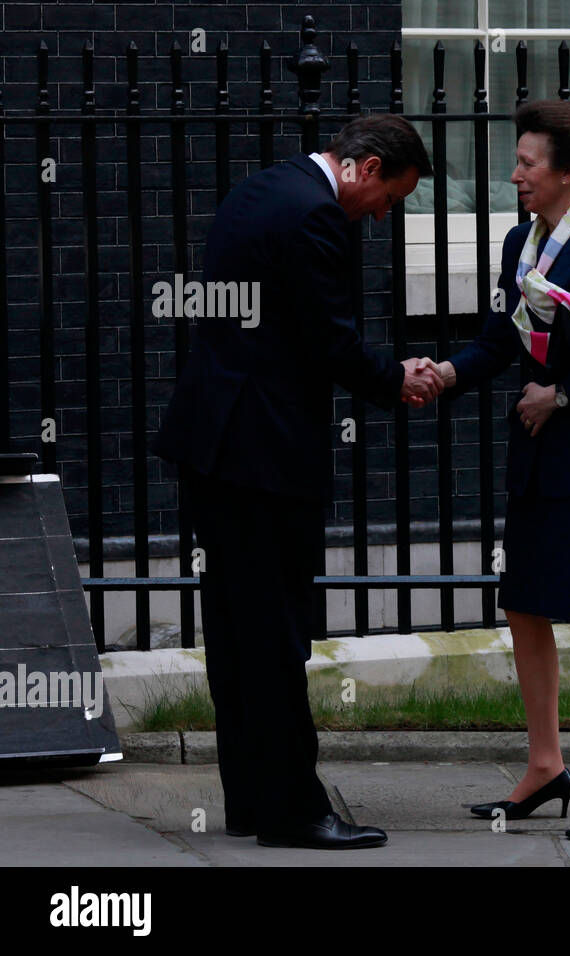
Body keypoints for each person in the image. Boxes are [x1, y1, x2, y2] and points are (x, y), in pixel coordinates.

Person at [152, 114, 443, 849]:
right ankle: (292, 809)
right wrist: (395, 377)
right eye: (389, 199)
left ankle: (251, 796)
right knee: (277, 632)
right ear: (366, 168)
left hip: (214, 439)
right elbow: (328, 337)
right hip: (263, 452)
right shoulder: (316, 213)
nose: (382, 216)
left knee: (235, 628)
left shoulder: (262, 188)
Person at [436, 99, 570, 840]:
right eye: (518, 161)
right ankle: (545, 766)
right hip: (535, 456)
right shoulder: (518, 244)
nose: (515, 175)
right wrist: (445, 373)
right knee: (525, 607)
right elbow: (502, 337)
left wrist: (560, 395)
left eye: (528, 163)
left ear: (567, 173)